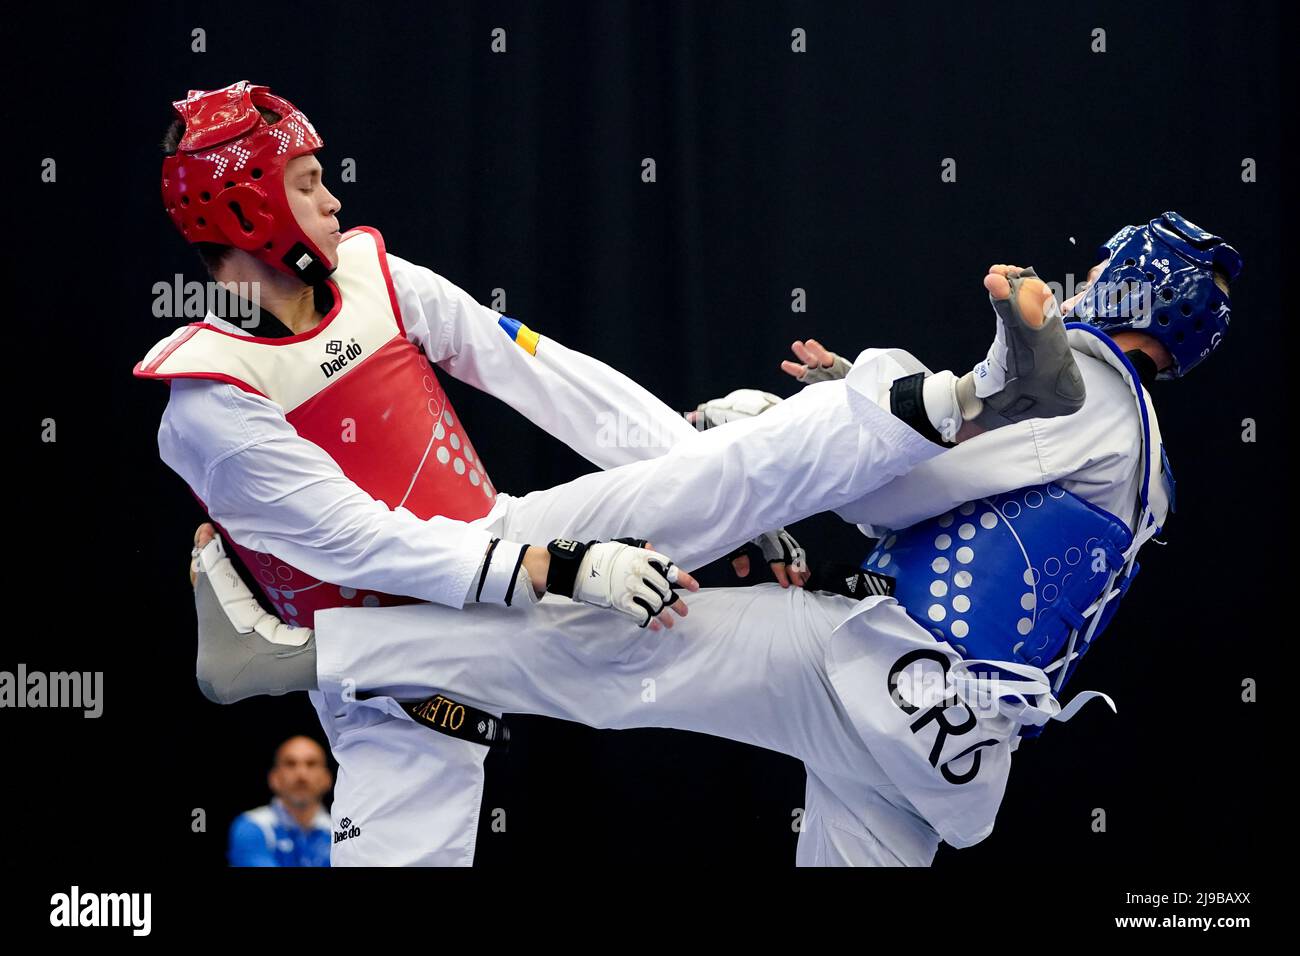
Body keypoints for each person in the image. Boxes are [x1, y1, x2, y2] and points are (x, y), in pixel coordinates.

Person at [191, 212, 1238, 865]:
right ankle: (923, 394)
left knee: (606, 648)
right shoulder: (1146, 464)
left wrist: (836, 414)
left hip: (879, 667)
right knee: (845, 412)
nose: (1087, 271)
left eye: (1104, 262)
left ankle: (313, 649)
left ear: (1130, 278)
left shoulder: (1093, 383)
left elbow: (905, 499)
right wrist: (836, 411)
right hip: (954, 751)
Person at [228, 736, 333, 867]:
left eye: (311, 764)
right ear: (274, 778)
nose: (301, 774)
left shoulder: (338, 832)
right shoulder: (253, 826)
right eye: (290, 764)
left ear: (327, 779)